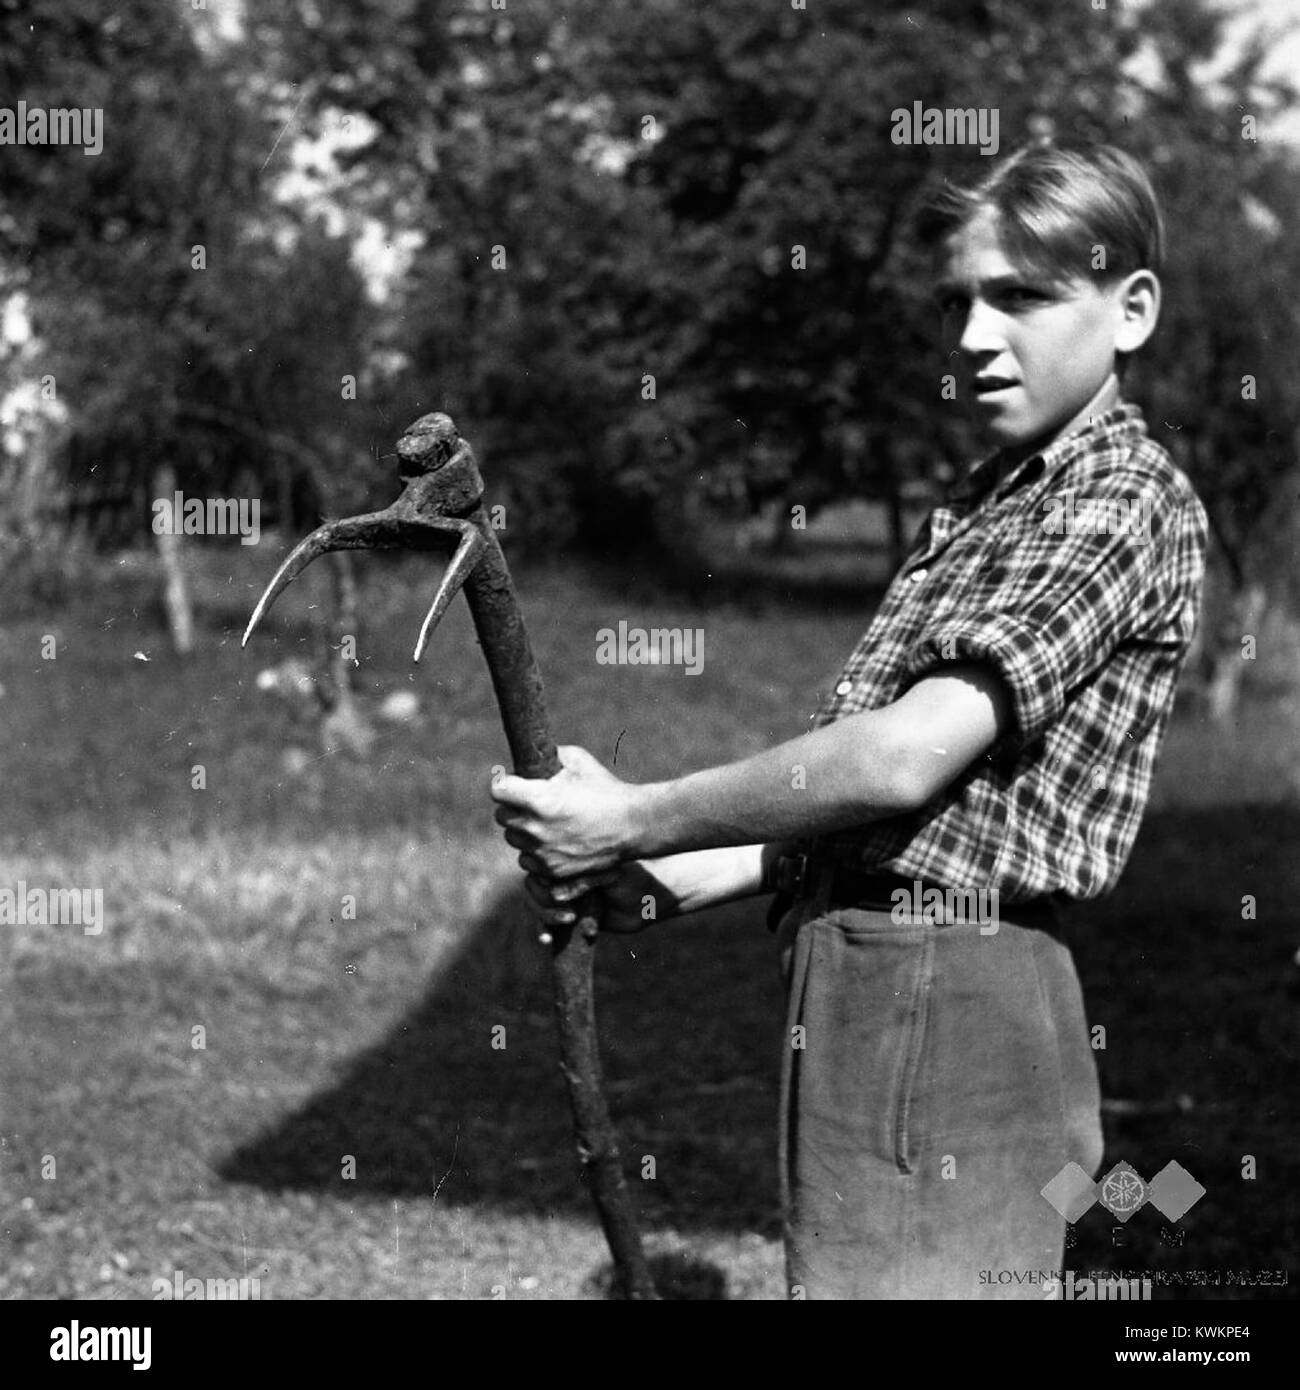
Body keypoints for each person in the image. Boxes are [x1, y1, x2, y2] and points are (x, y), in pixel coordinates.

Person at [490, 141, 1208, 1299]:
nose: (974, 336)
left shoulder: (1120, 497)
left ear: (1129, 309)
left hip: (951, 990)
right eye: (958, 302)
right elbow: (925, 815)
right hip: (885, 977)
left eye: (1020, 296)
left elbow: (898, 759)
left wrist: (633, 817)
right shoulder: (987, 500)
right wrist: (698, 872)